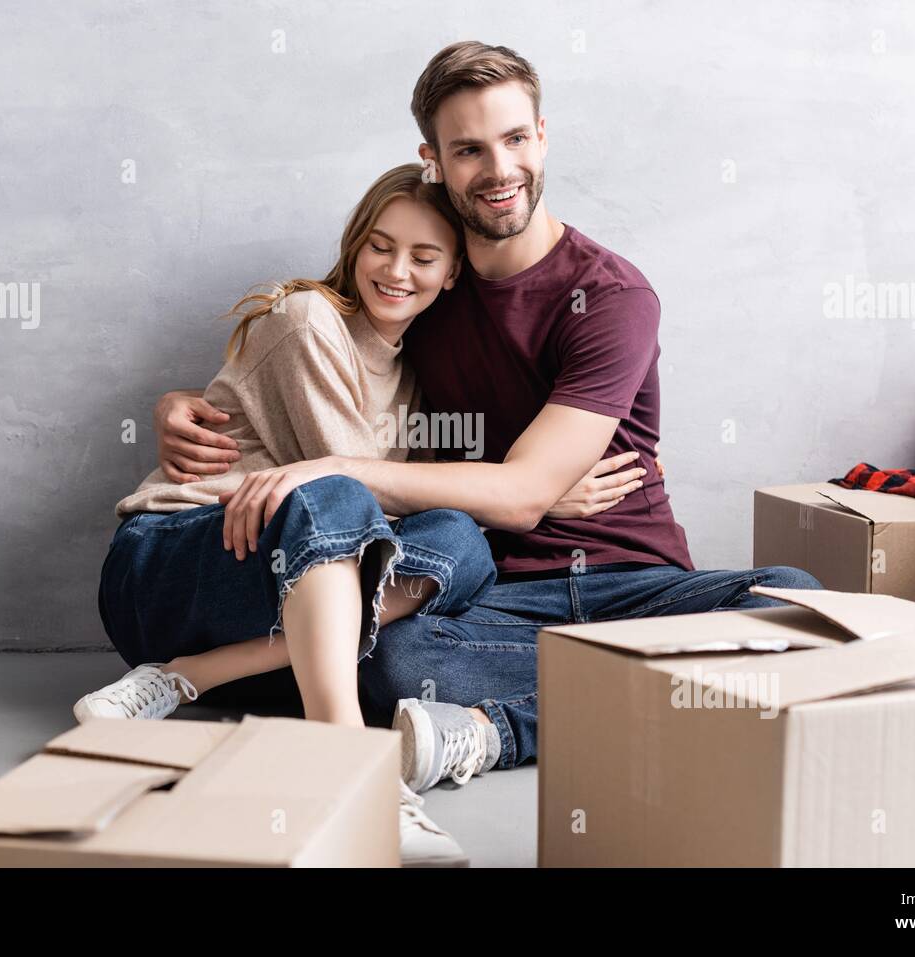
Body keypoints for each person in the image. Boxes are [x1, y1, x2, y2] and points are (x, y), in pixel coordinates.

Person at [152, 42, 822, 802]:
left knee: (797, 604)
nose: (499, 169)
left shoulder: (610, 296)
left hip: (635, 585)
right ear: (433, 159)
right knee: (387, 656)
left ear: (542, 135)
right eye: (469, 149)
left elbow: (526, 492)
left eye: (513, 140)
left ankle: (494, 730)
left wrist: (338, 470)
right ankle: (638, 680)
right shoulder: (426, 284)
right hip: (489, 596)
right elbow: (318, 340)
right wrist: (182, 403)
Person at [84, 162, 640, 867]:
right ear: (354, 245)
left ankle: (193, 674)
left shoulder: (415, 372)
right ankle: (352, 774)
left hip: (276, 595)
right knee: (343, 497)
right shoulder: (308, 320)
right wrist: (538, 495)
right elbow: (353, 489)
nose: (396, 269)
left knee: (462, 540)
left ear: (451, 276)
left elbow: (399, 510)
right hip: (169, 562)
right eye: (380, 245)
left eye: (424, 256)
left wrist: (525, 486)